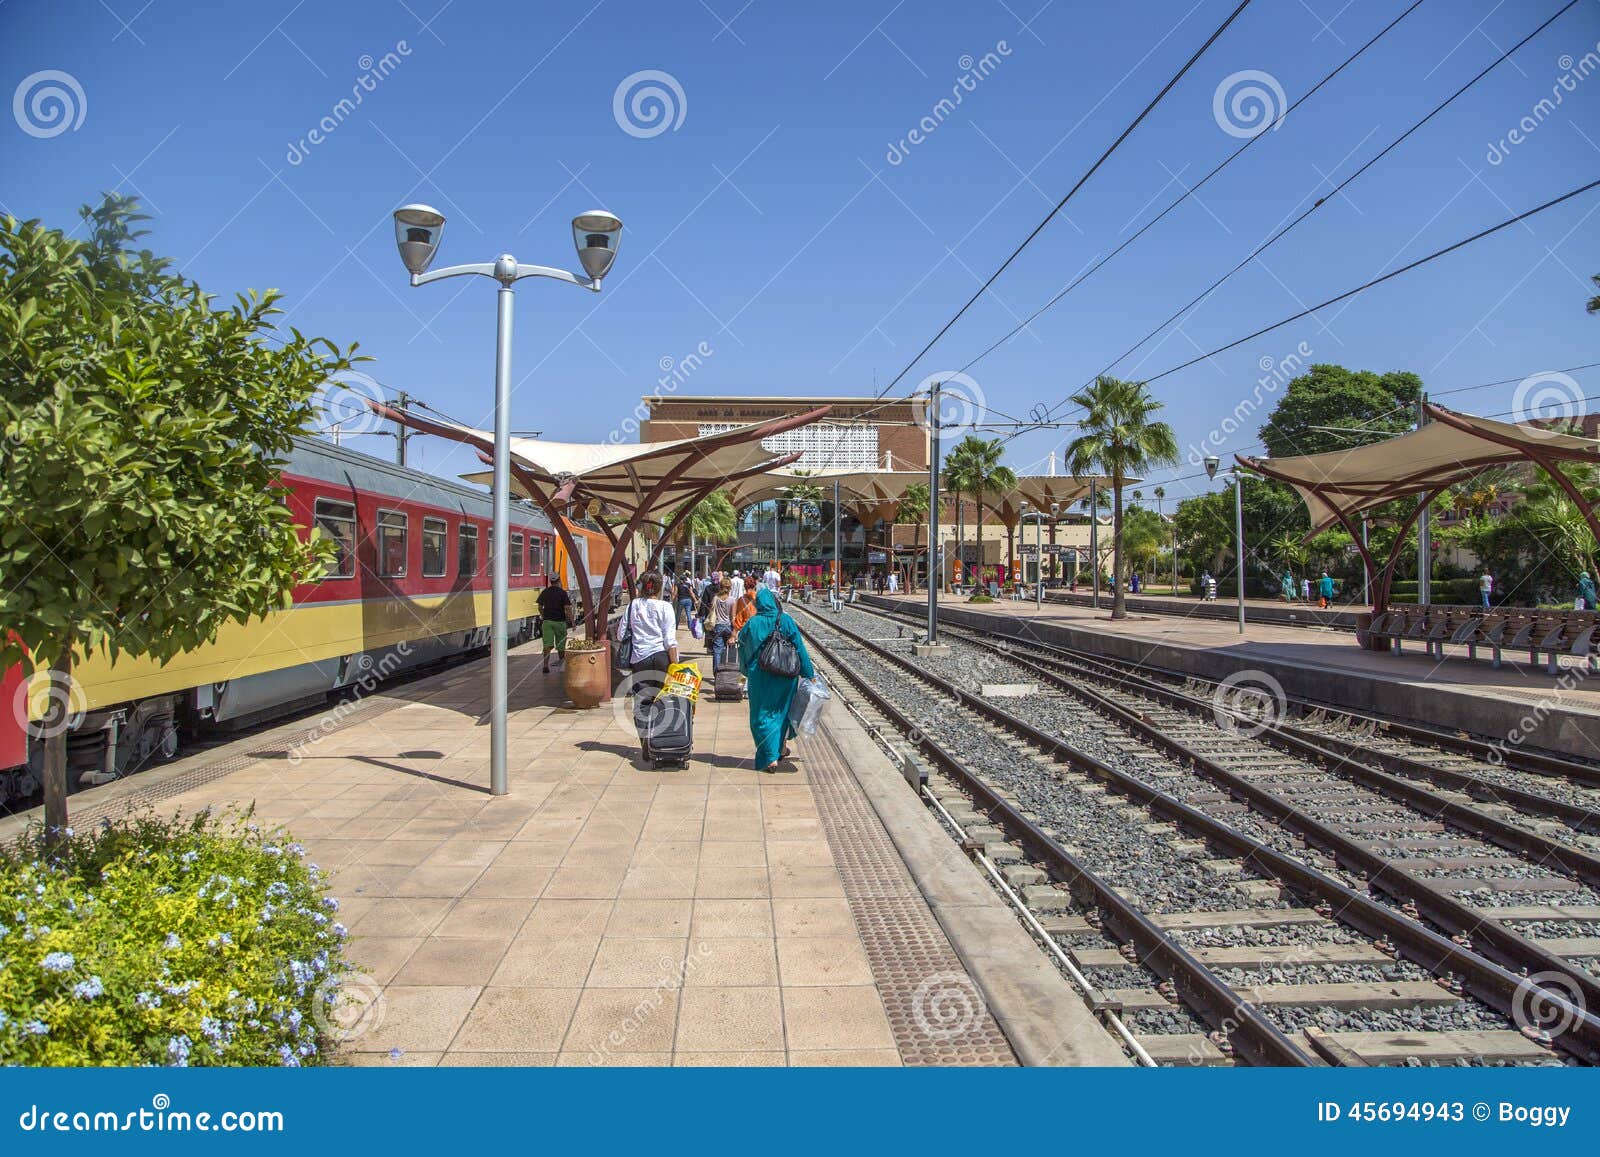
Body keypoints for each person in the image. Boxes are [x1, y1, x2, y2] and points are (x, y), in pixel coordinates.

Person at [737, 587, 816, 772]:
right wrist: (808, 673)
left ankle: (769, 757)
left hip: (759, 676)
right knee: (780, 713)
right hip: (785, 675)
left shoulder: (752, 623)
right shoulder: (786, 620)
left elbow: (742, 647)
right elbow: (800, 648)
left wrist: (745, 669)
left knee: (760, 716)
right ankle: (778, 749)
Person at [622, 571, 679, 703]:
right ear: (660, 588)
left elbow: (620, 634)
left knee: (642, 701)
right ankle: (660, 722)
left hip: (640, 658)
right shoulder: (666, 607)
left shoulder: (633, 605)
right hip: (661, 657)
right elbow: (670, 640)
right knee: (662, 699)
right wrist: (675, 664)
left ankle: (644, 723)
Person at [537, 577, 572, 674]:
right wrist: (572, 622)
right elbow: (567, 608)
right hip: (560, 622)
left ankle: (545, 666)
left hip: (547, 622)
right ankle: (561, 665)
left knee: (547, 645)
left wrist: (544, 615)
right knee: (561, 645)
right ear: (559, 581)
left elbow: (540, 607)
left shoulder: (545, 592)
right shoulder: (562, 593)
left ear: (551, 582)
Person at [710, 577, 736, 667]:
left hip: (718, 626)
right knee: (730, 649)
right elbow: (733, 617)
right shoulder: (732, 600)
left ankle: (716, 672)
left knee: (717, 650)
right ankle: (728, 670)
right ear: (730, 588)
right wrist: (735, 631)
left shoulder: (715, 598)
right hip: (728, 626)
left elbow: (712, 612)